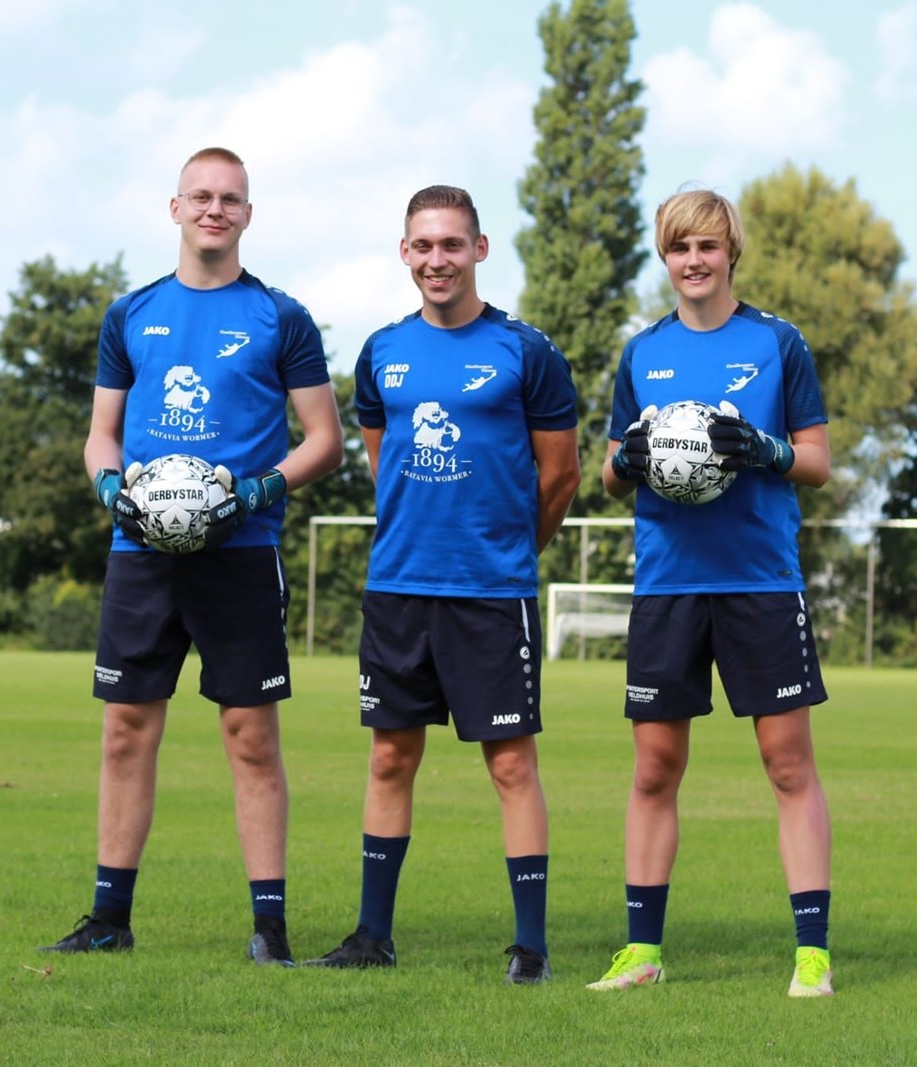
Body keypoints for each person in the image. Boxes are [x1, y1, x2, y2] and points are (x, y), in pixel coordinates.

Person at [38, 147, 344, 967]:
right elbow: (102, 432)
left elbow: (326, 440)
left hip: (239, 551)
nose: (215, 209)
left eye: (231, 199)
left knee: (250, 735)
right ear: (174, 208)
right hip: (140, 552)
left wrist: (252, 492)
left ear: (248, 215)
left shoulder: (282, 317)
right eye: (201, 196)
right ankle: (109, 916)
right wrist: (111, 491)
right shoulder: (130, 314)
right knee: (125, 730)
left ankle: (270, 928)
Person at [303, 185, 580, 985]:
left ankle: (531, 946)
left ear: (479, 250)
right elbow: (380, 461)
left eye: (451, 245)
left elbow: (558, 476)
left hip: (492, 595)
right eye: (422, 246)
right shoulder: (380, 352)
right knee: (391, 756)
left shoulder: (527, 351)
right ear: (404, 253)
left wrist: (510, 552)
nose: (437, 260)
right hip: (399, 588)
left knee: (511, 765)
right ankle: (372, 935)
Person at [587, 187, 836, 997]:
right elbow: (609, 465)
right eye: (678, 249)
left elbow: (817, 459)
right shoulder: (642, 353)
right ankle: (642, 951)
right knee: (655, 767)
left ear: (731, 253)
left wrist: (763, 447)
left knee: (786, 763)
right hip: (669, 584)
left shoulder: (776, 343)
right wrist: (626, 462)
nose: (693, 262)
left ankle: (812, 955)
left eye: (707, 247)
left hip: (760, 581)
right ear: (666, 258)